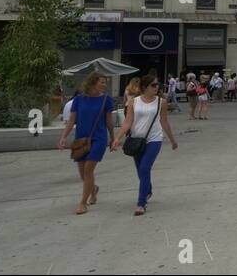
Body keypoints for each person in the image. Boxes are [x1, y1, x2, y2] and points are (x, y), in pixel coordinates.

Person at [112, 75, 179, 216]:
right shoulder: (133, 102)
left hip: (154, 139)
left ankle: (141, 203)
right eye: (153, 85)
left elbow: (164, 122)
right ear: (144, 87)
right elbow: (128, 122)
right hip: (136, 139)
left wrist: (172, 140)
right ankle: (147, 190)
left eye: (157, 85)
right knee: (141, 171)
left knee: (144, 167)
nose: (157, 87)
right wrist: (117, 138)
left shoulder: (162, 102)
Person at [57, 72, 115, 216]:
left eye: (105, 82)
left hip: (99, 138)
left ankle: (82, 203)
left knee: (88, 170)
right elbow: (71, 121)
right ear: (93, 83)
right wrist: (63, 137)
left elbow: (109, 121)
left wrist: (113, 138)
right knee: (83, 174)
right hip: (81, 139)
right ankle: (93, 189)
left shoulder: (107, 100)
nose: (104, 85)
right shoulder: (78, 100)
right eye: (102, 82)